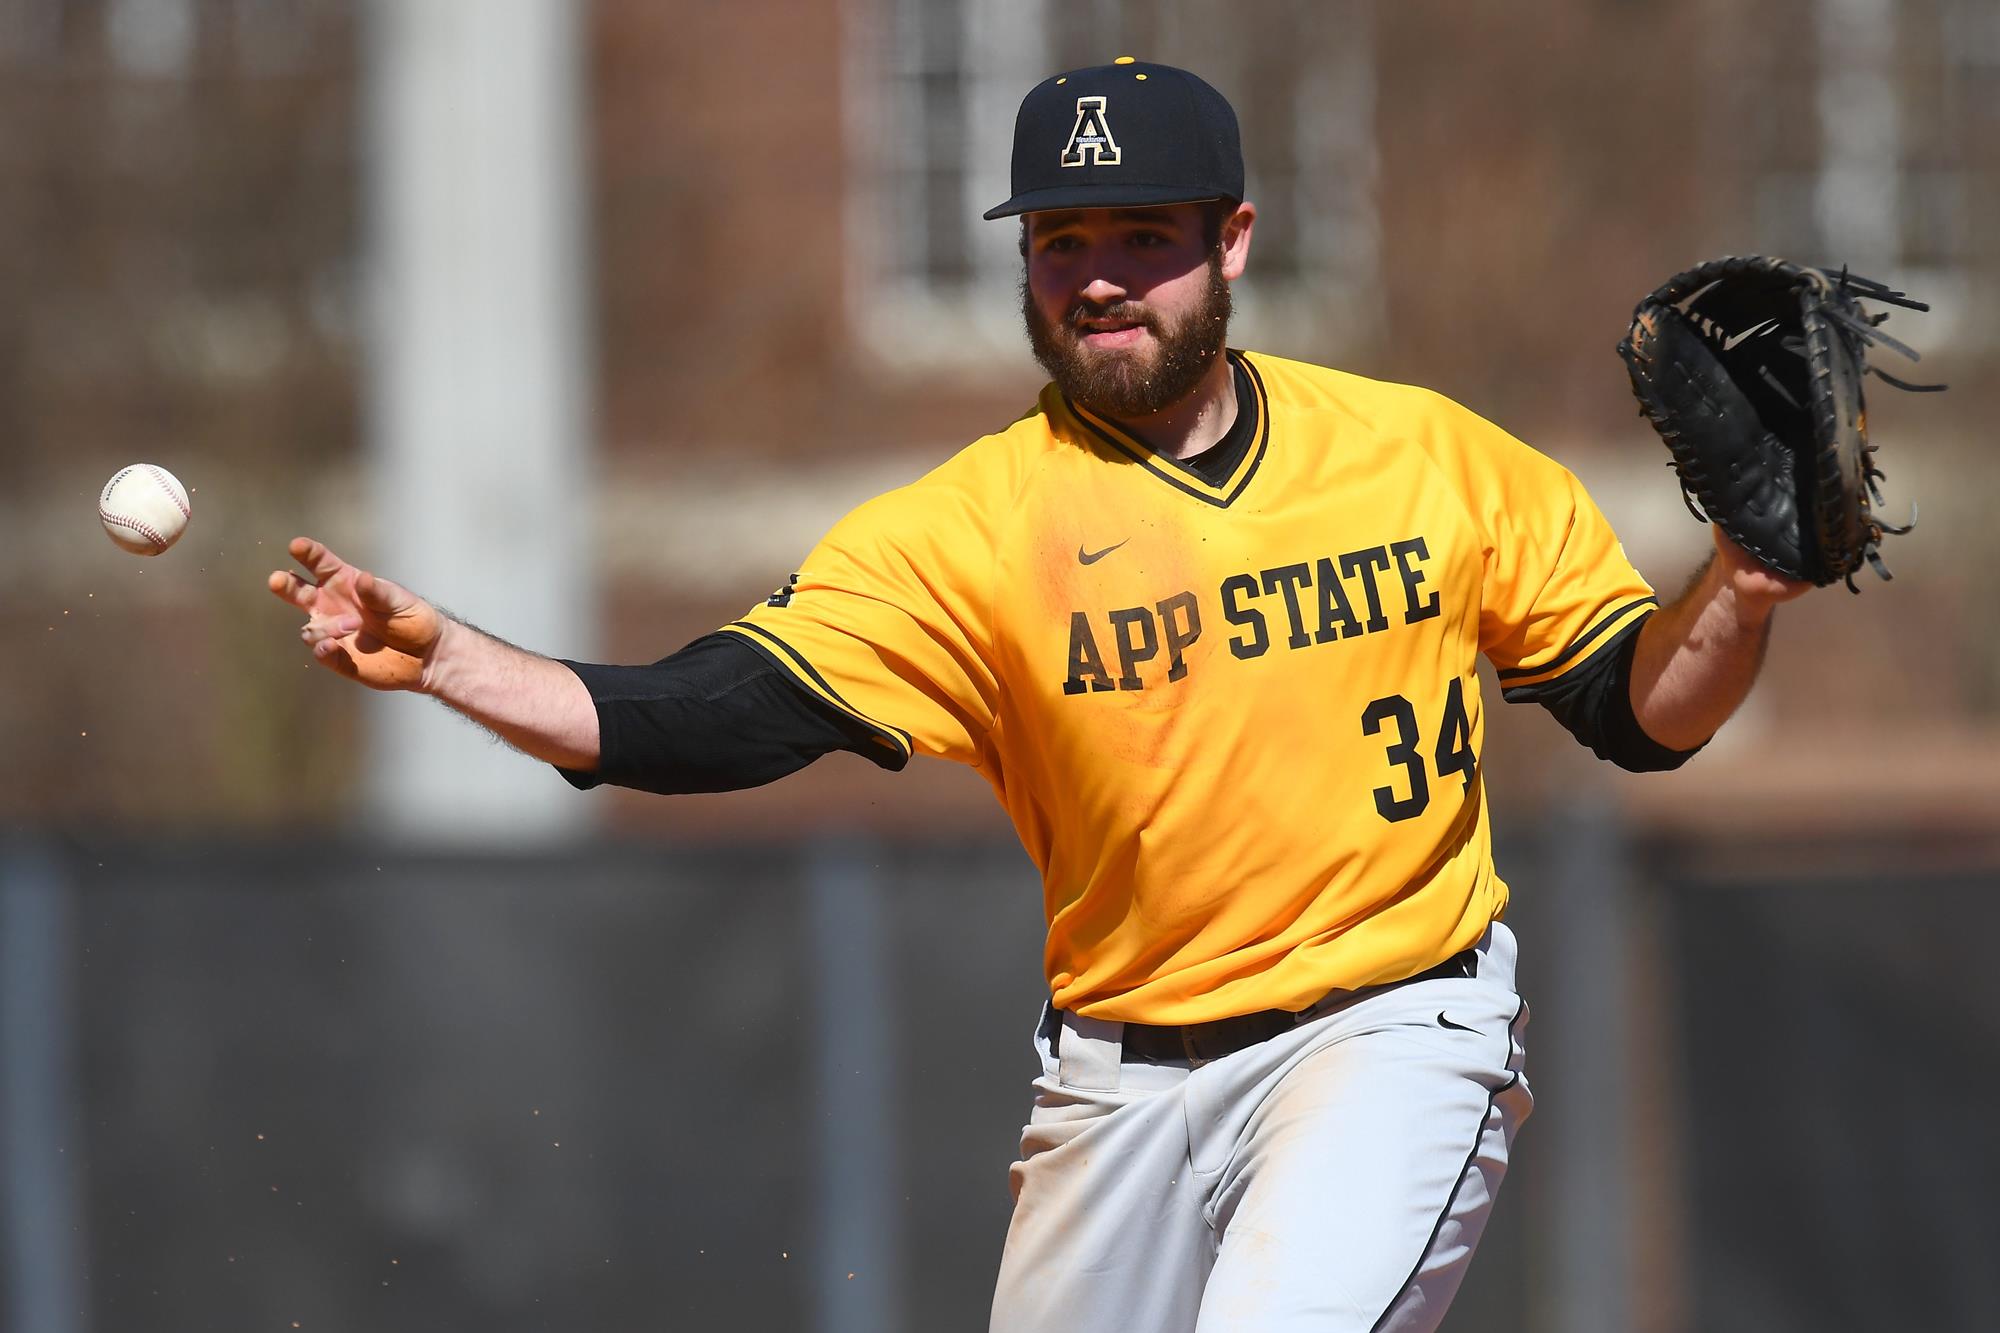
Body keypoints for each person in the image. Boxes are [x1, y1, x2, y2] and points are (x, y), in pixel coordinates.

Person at [270, 59, 1807, 1333]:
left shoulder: (1424, 455)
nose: (1099, 279)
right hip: (1113, 1081)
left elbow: (1636, 710)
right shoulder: (970, 527)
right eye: (1061, 242)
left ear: (1235, 241)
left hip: (1390, 1032)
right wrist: (449, 655)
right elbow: (702, 715)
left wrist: (1738, 584)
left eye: (1143, 235)